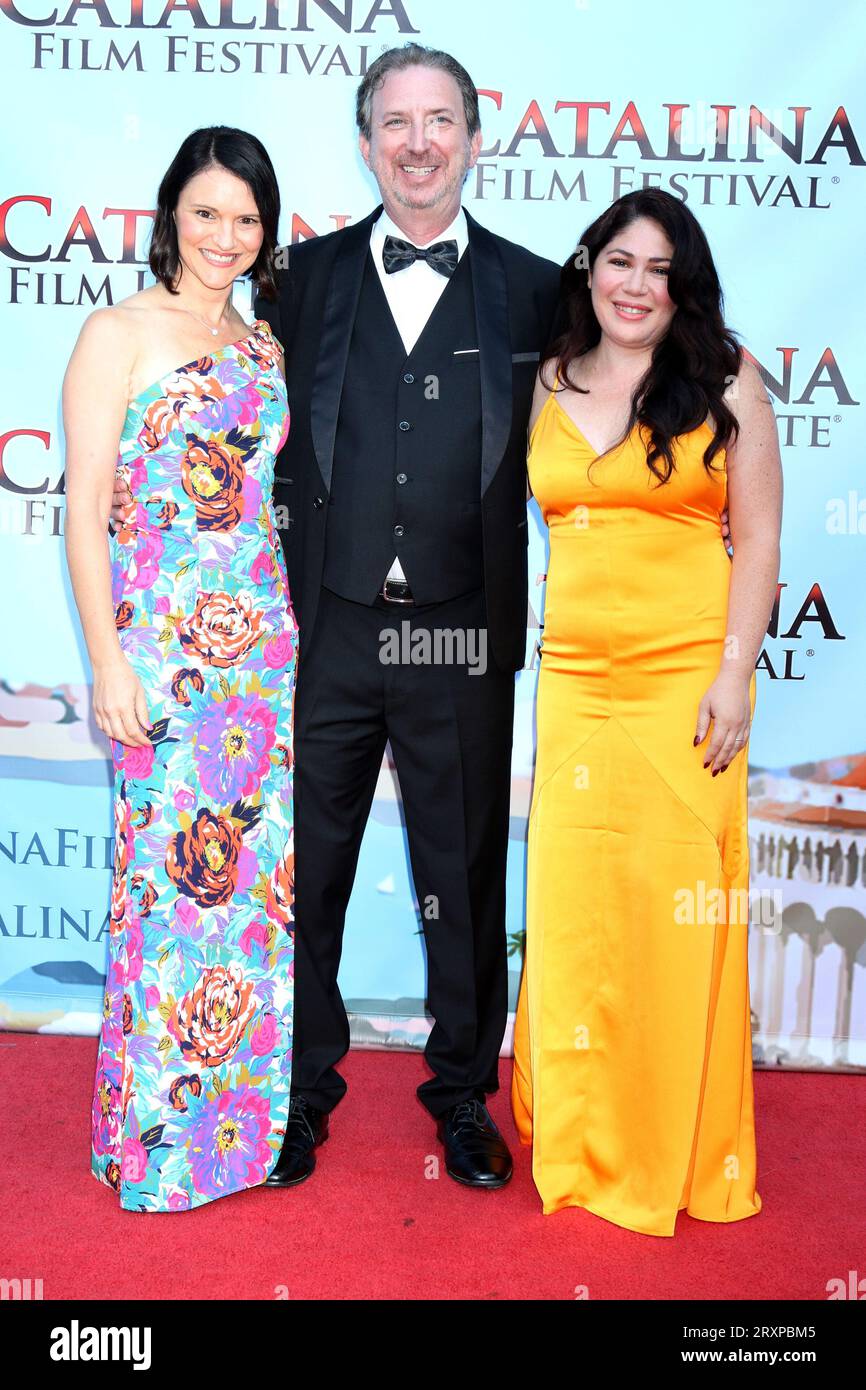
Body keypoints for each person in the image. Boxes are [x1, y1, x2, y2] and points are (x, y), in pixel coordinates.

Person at [249, 43, 565, 1190]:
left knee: (464, 870)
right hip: (325, 624)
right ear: (365, 137)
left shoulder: (539, 289)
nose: (419, 142)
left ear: (474, 139)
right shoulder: (299, 277)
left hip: (461, 634)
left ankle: (459, 1093)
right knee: (309, 867)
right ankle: (293, 1091)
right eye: (396, 121)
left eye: (440, 121)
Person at [511, 189, 782, 1235]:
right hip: (575, 684)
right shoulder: (545, 376)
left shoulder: (724, 378)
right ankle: (579, 1139)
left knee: (674, 920)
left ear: (684, 284)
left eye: (658, 268)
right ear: (588, 269)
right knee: (579, 919)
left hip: (686, 683)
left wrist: (730, 672)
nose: (634, 285)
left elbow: (754, 542)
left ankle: (674, 1143)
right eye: (618, 262)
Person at [65, 127, 297, 1212]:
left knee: (246, 896)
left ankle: (234, 1139)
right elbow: (83, 514)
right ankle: (155, 1144)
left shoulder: (262, 347)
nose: (226, 235)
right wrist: (108, 661)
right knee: (165, 894)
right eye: (207, 212)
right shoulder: (116, 332)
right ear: (171, 215)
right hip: (158, 652)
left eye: (247, 219)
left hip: (259, 658)